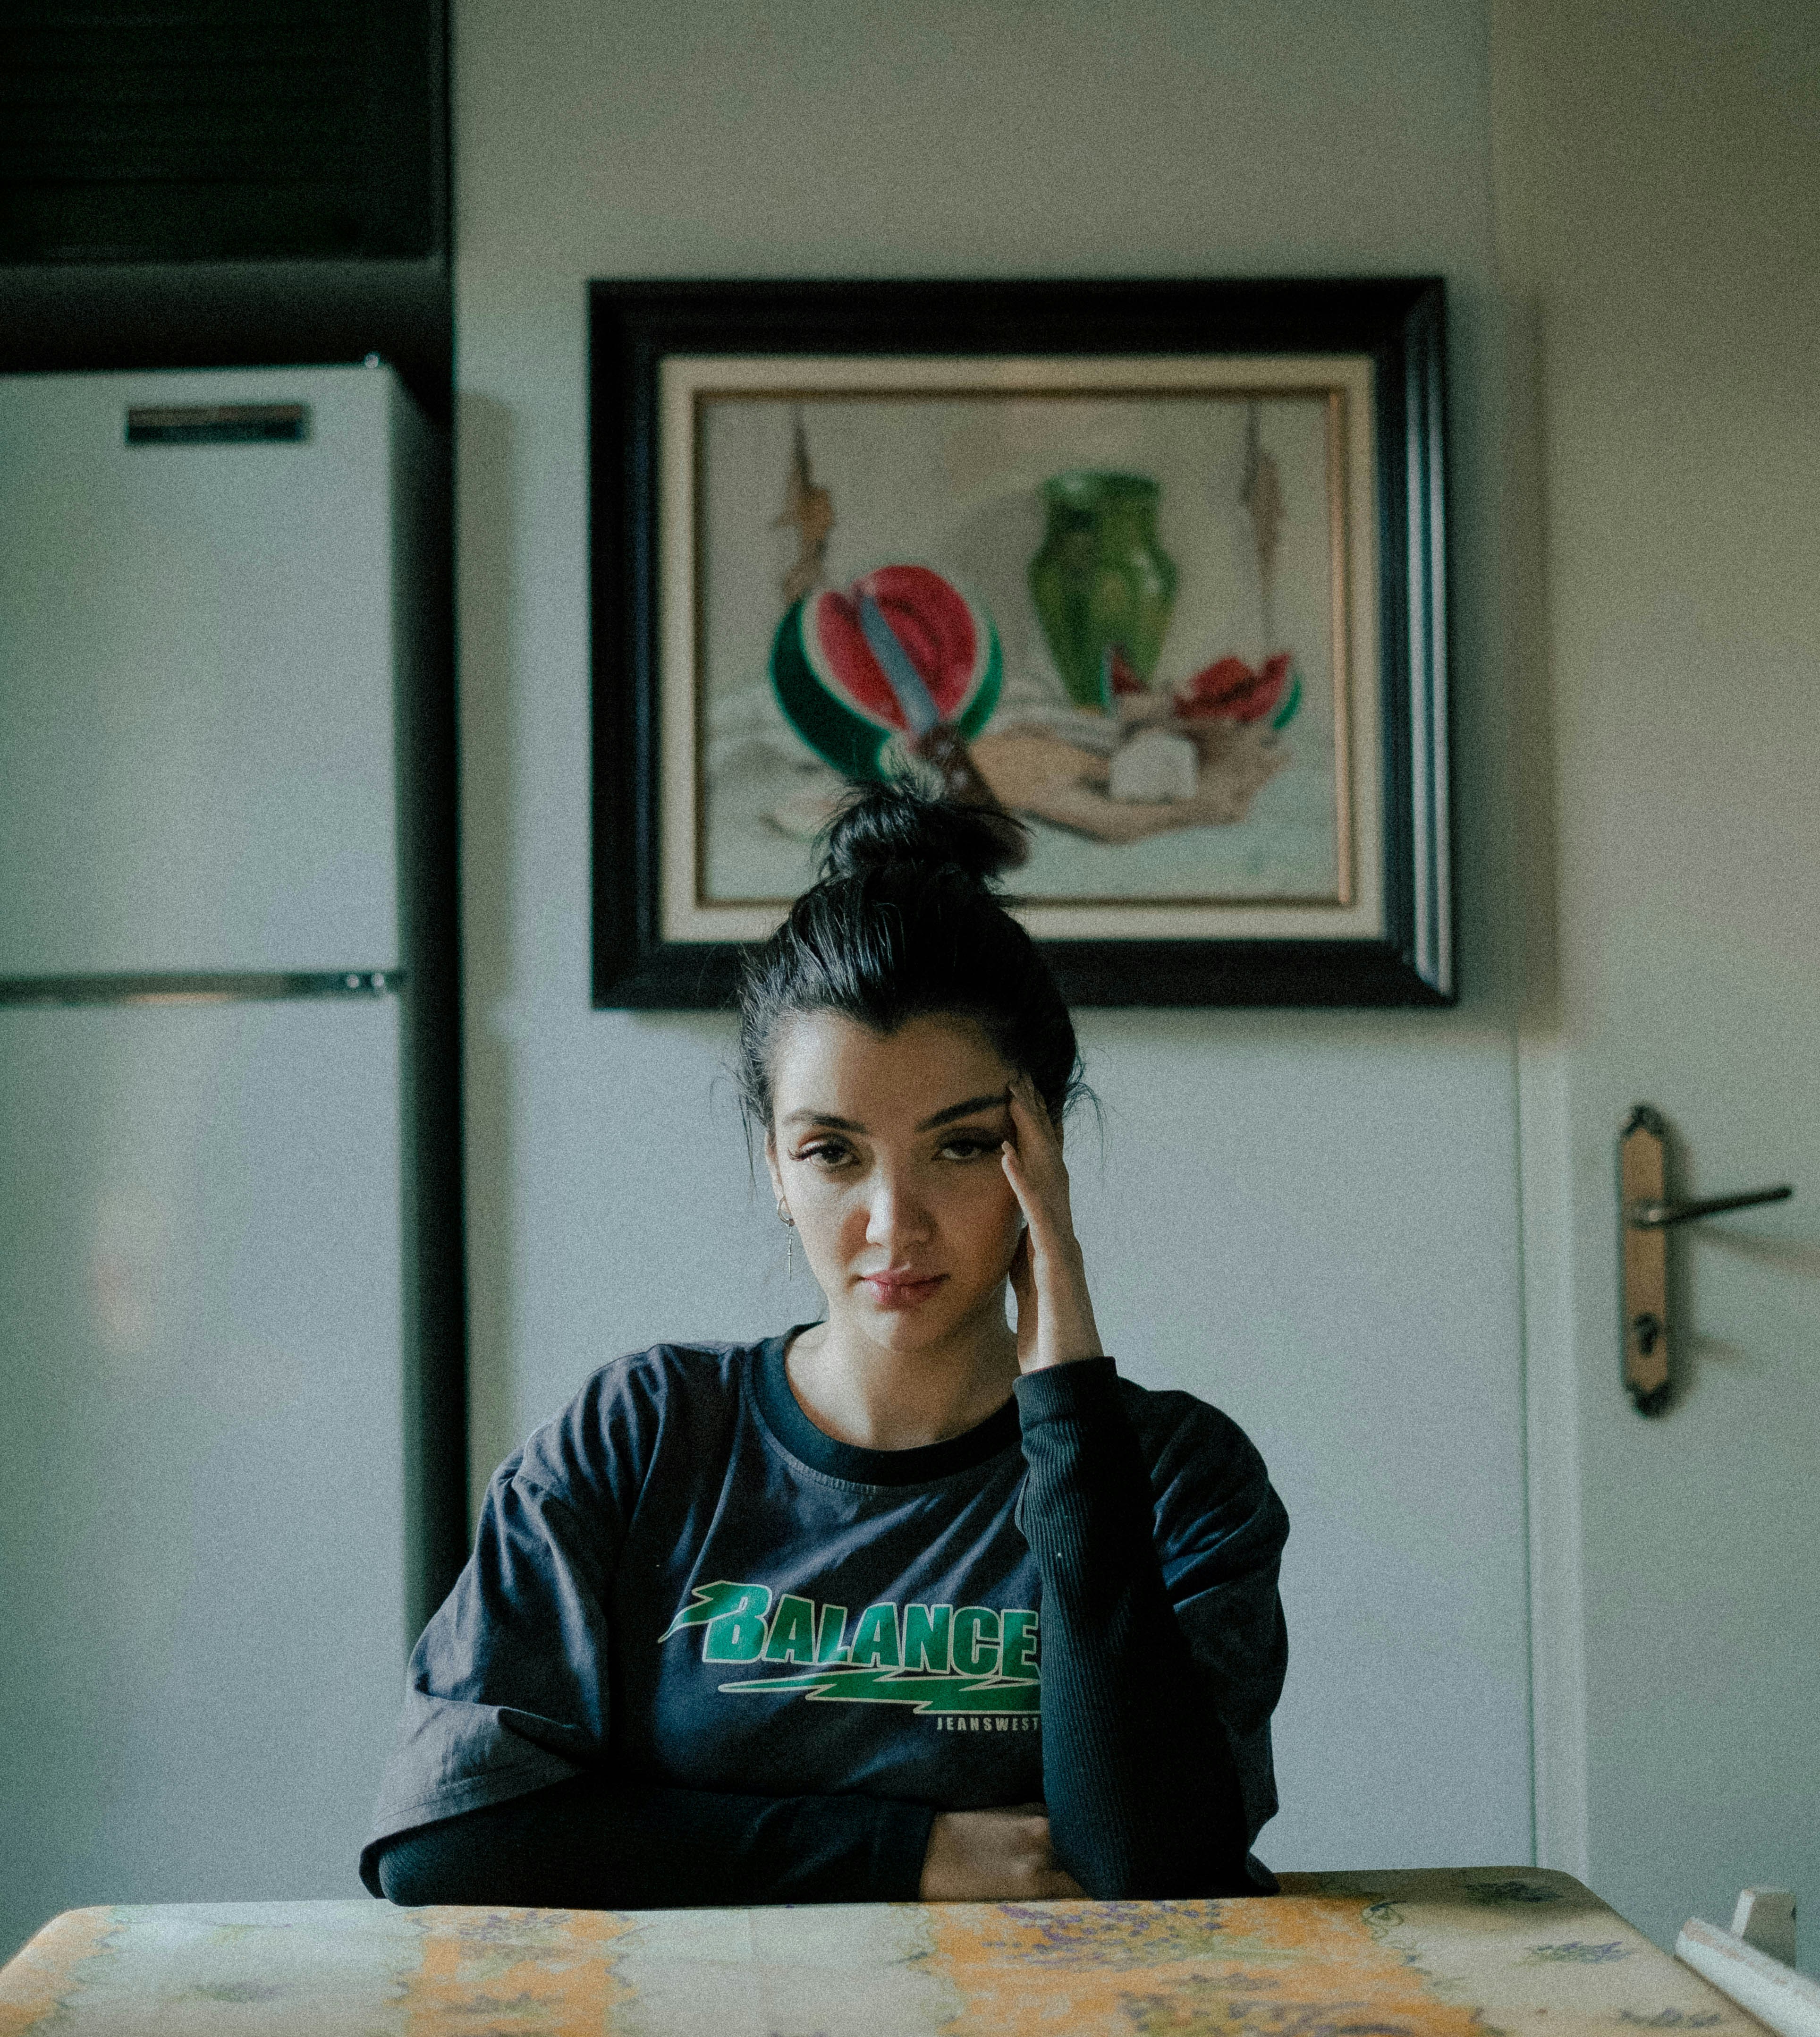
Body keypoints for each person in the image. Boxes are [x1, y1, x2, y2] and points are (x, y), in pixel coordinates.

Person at [362, 783, 1289, 1908]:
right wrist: (907, 1853)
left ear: (1042, 1151)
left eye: (962, 1145)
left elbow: (1154, 1872)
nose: (892, 1222)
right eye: (833, 1153)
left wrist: (1068, 1404)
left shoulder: (1177, 1476)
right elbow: (445, 1839)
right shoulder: (638, 1439)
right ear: (773, 1164)